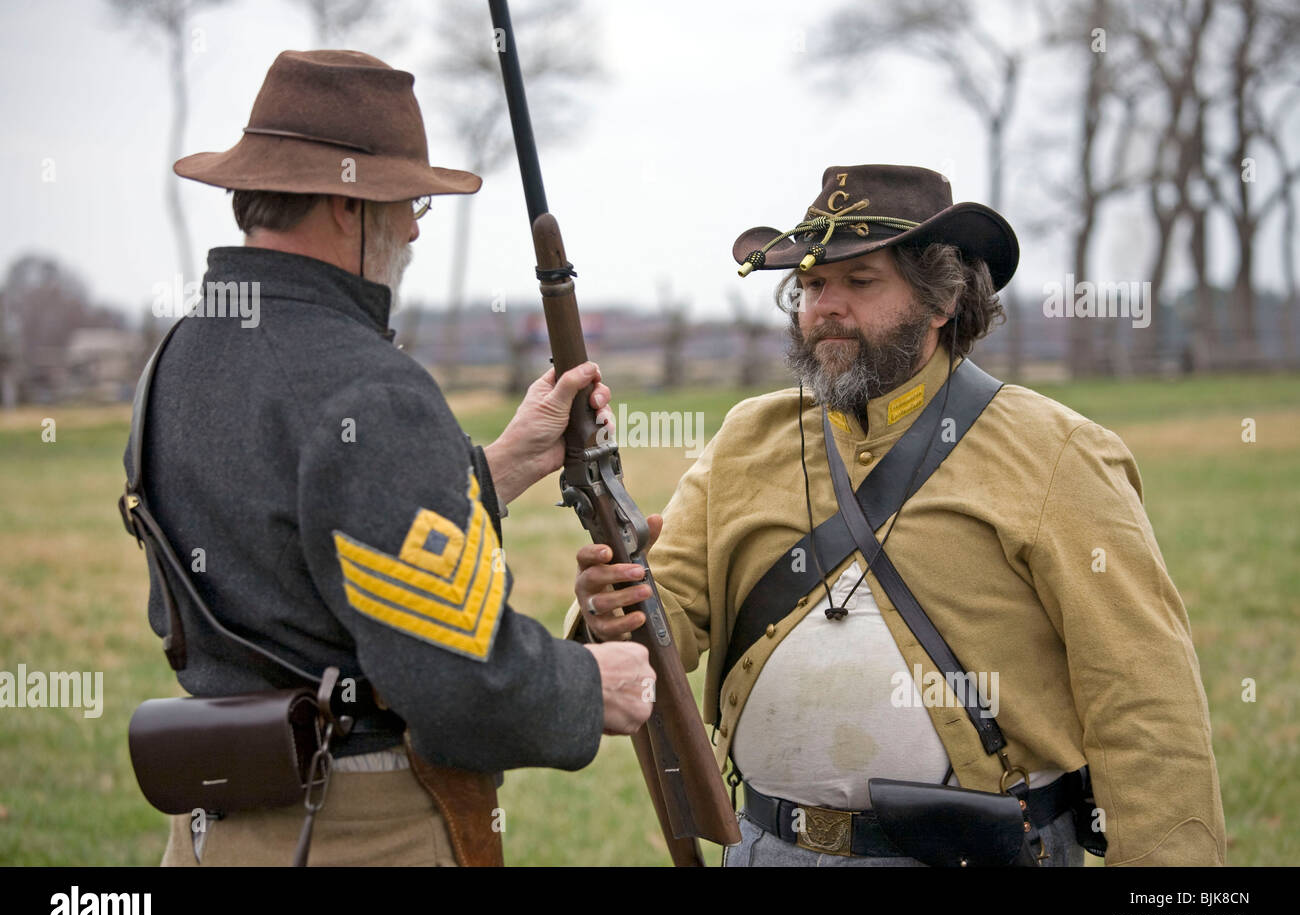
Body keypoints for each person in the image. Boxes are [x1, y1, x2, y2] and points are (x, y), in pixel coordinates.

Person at [574, 164, 1226, 866]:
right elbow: (667, 621)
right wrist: (613, 606)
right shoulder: (745, 439)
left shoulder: (1060, 453)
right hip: (767, 849)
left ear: (940, 300)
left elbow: (1146, 706)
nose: (826, 305)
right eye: (813, 284)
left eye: (860, 283)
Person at [124, 50, 654, 867]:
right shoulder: (371, 389)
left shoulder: (177, 359)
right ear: (346, 202)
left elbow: (320, 535)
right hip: (359, 833)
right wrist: (592, 685)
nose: (411, 225)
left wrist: (504, 462)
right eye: (407, 201)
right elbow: (458, 683)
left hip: (213, 835)